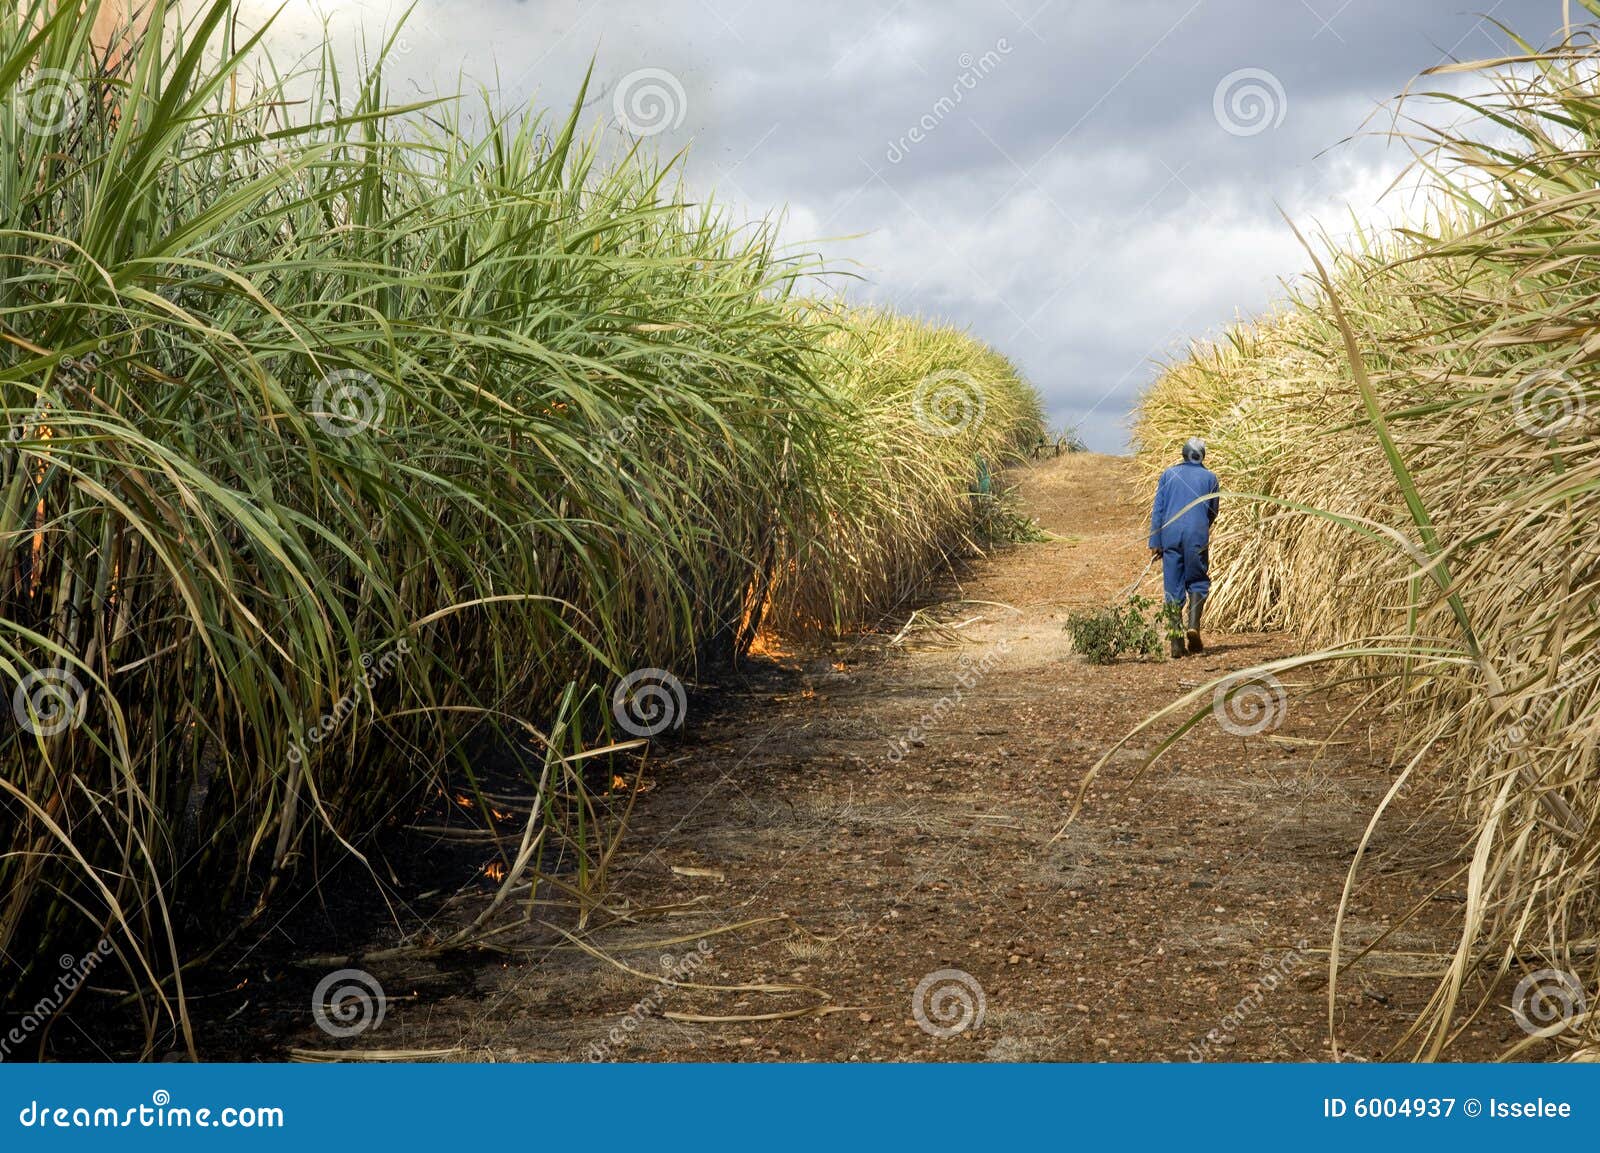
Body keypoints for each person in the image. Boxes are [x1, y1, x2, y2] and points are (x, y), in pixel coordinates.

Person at [1148, 437, 1219, 658]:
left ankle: (1176, 643)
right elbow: (1213, 512)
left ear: (1184, 454)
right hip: (1197, 534)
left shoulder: (1168, 475)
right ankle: (1193, 626)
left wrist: (1155, 541)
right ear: (1202, 455)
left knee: (1172, 584)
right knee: (1197, 579)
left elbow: (1158, 509)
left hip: (1170, 534)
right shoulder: (1210, 478)